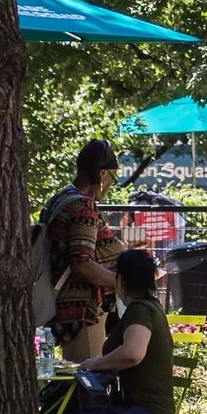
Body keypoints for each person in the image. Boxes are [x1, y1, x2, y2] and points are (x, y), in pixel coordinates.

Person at [61, 248, 177, 414]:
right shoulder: (152, 307)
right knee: (70, 412)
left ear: (120, 280)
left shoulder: (140, 310)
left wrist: (94, 363)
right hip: (143, 412)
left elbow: (133, 353)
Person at [40, 140, 123, 364]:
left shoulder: (60, 198)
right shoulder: (83, 206)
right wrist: (123, 281)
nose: (111, 185)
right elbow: (82, 263)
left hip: (64, 304)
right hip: (82, 311)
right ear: (103, 173)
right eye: (112, 178)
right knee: (88, 373)